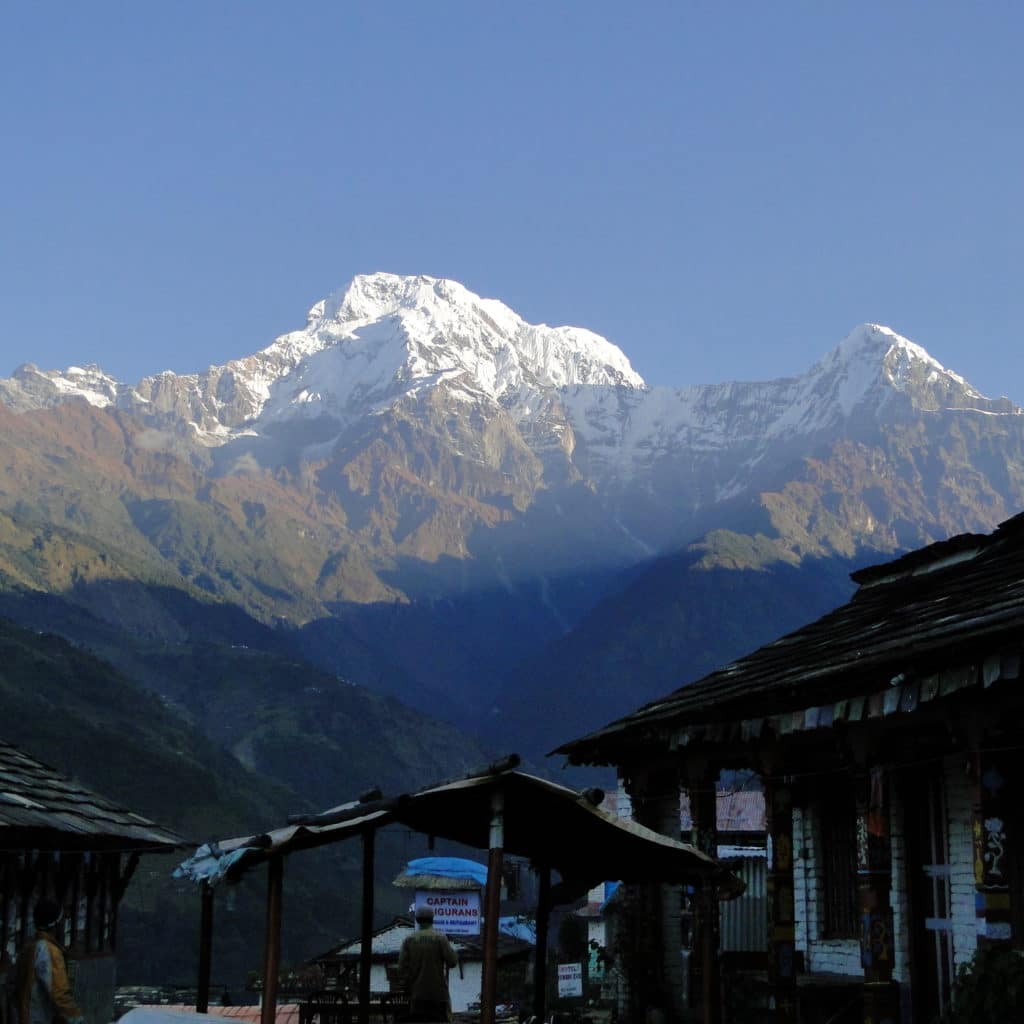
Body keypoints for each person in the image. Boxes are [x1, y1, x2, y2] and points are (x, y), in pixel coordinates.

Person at [12, 899, 85, 1024]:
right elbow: (59, 993)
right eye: (62, 919)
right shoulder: (49, 950)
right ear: (55, 924)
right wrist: (76, 1018)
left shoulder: (28, 948)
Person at [397, 905, 458, 1022]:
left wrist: (407, 984)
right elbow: (452, 962)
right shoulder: (440, 938)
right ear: (432, 919)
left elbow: (401, 969)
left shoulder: (409, 940)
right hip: (438, 995)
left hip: (417, 995)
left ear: (417, 920)